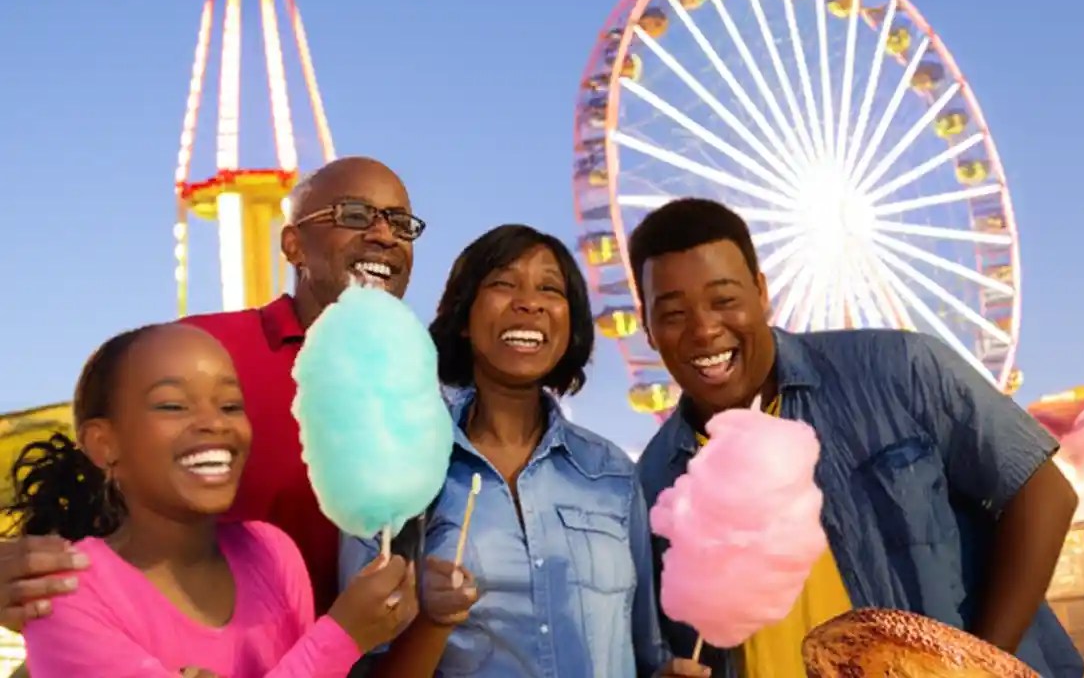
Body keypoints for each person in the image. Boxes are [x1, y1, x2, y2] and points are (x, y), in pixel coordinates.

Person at [626, 197, 1084, 677]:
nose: (704, 329)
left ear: (761, 292)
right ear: (648, 328)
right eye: (674, 314)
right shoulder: (653, 482)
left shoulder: (897, 371)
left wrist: (974, 667)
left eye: (725, 300)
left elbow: (1042, 492)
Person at [0, 156, 424, 627]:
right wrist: (28, 568)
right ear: (293, 245)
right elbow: (87, 479)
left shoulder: (422, 388)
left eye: (401, 223)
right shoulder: (204, 350)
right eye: (355, 216)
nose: (385, 235)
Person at [339, 224, 703, 677]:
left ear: (570, 326)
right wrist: (431, 621)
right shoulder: (399, 474)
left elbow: (645, 652)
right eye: (502, 284)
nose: (529, 302)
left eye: (550, 289)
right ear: (465, 317)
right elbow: (357, 664)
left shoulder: (611, 473)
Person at [10, 323, 416, 676]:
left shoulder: (273, 552)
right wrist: (344, 636)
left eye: (230, 405)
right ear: (104, 444)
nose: (214, 422)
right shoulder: (65, 594)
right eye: (173, 405)